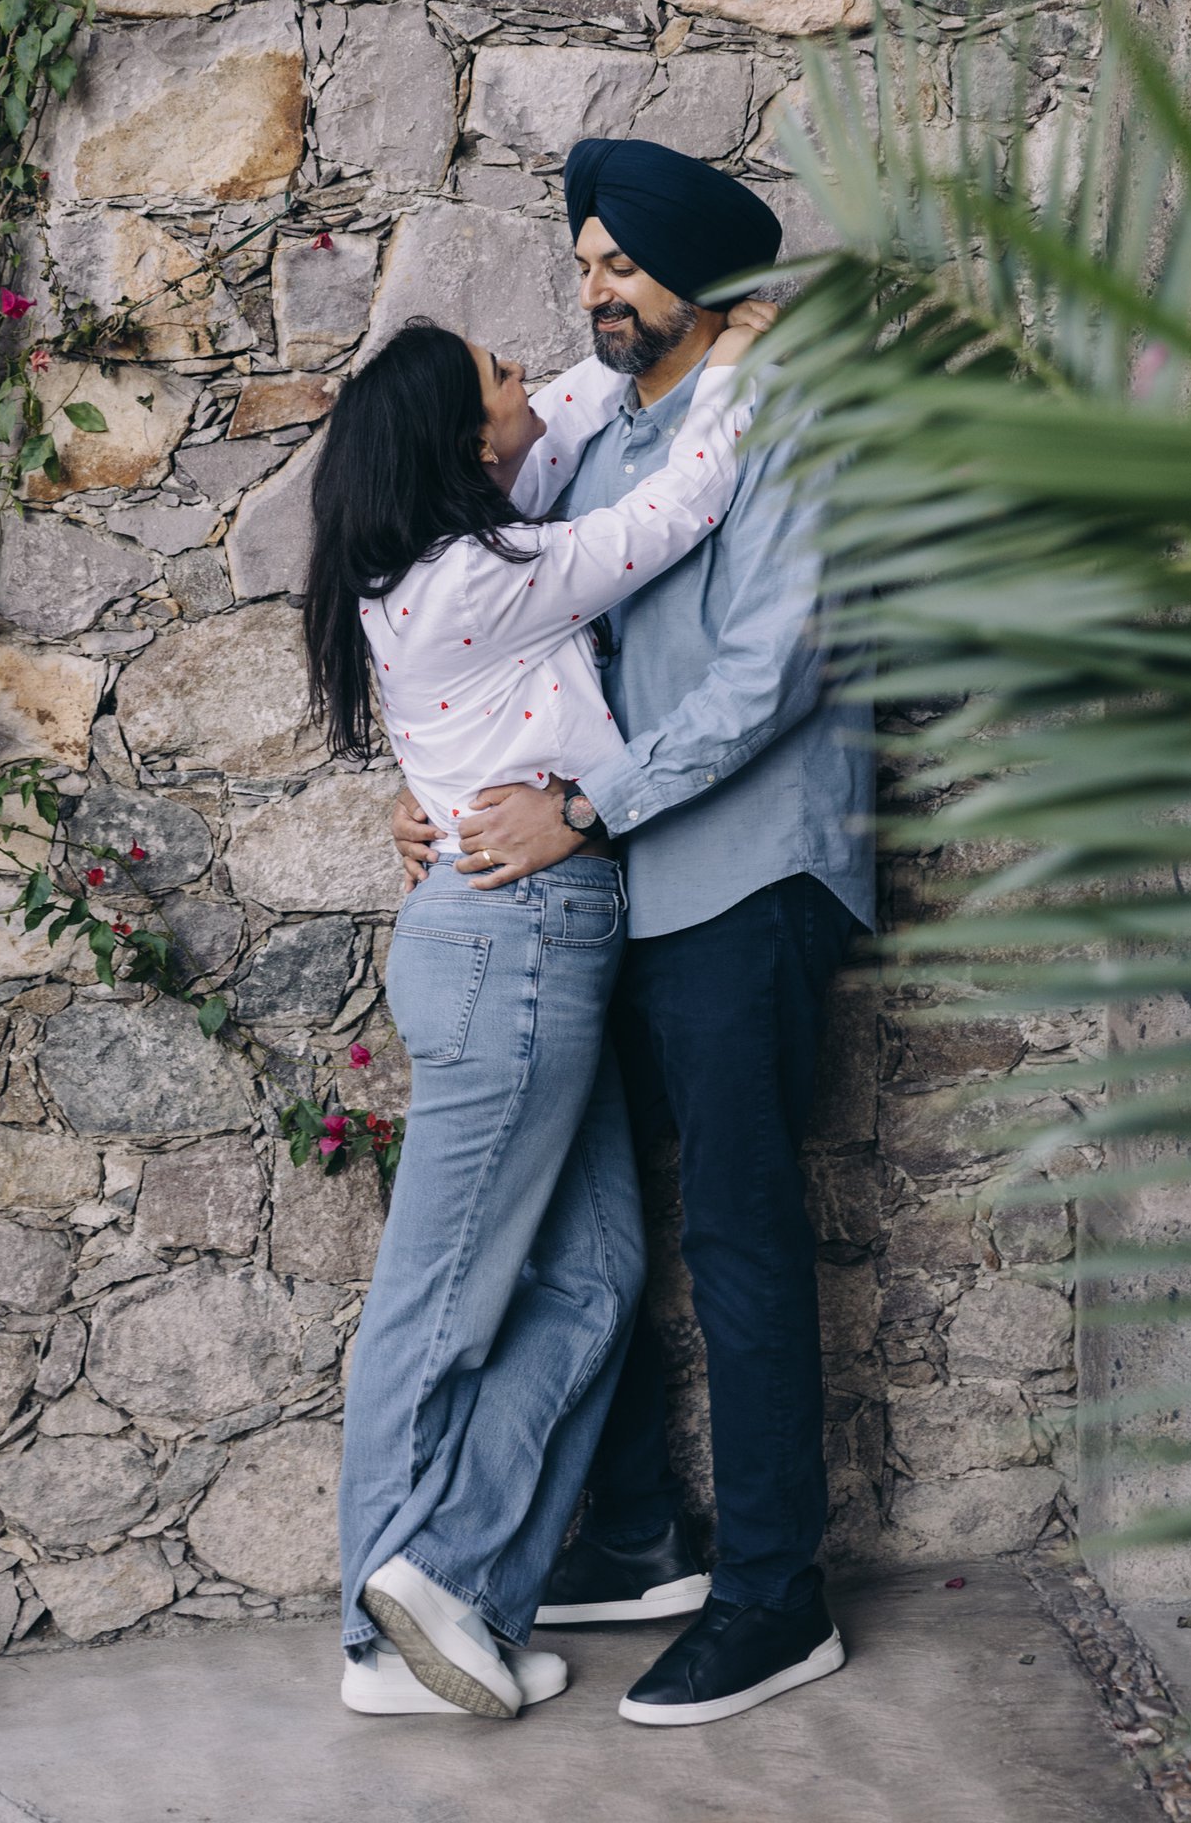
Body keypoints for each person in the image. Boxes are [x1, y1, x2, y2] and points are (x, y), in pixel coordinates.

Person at [392, 136, 876, 1731]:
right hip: (614, 890)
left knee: (736, 1230)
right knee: (589, 1231)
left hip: (743, 872)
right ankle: (634, 1536)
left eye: (622, 266)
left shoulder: (787, 418)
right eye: (585, 263)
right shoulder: (605, 446)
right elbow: (512, 641)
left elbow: (774, 672)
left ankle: (775, 1598)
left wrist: (586, 811)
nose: (593, 291)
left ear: (704, 281)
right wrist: (451, 801)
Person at [303, 295, 775, 1720]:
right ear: (464, 440)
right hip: (510, 954)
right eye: (502, 377)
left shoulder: (441, 557)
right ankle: (380, 1638)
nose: (534, 381)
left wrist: (657, 326)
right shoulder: (470, 577)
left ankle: (460, 1600)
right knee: (437, 1308)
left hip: (530, 948)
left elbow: (567, 414)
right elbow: (675, 510)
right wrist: (737, 368)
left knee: (591, 1284)